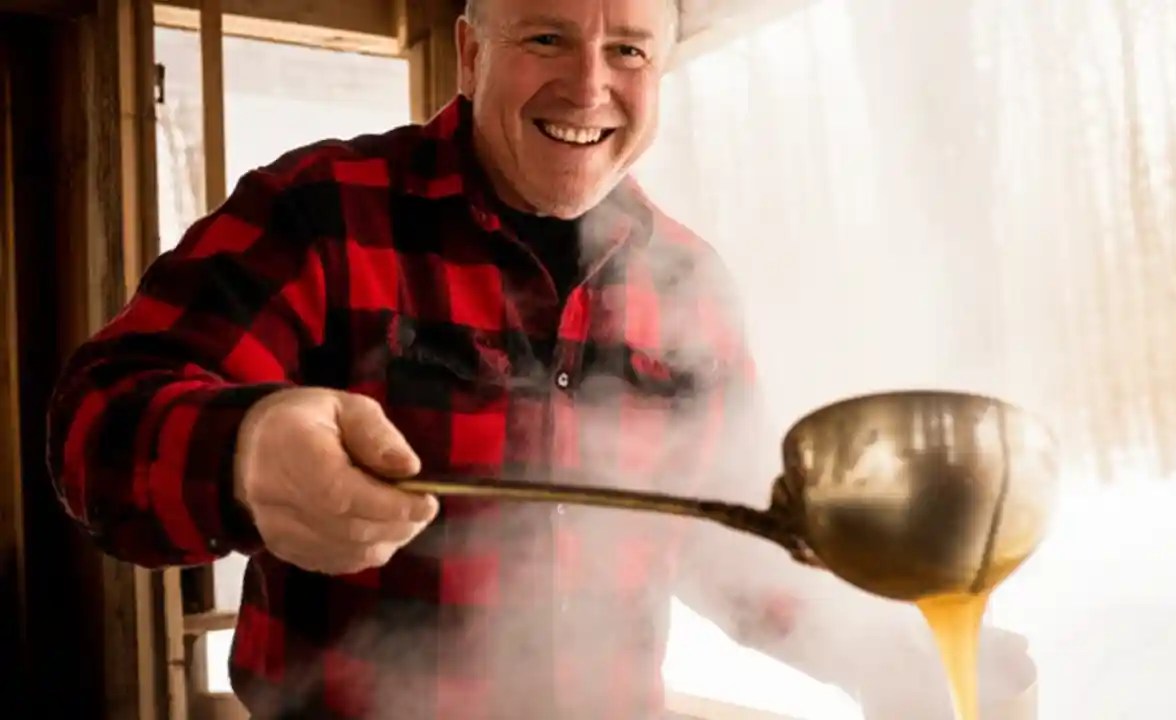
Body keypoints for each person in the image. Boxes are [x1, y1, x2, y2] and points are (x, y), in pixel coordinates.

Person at [47, 0, 1032, 717]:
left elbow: (729, 541)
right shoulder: (321, 209)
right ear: (471, 54)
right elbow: (96, 425)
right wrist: (245, 454)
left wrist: (880, 652)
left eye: (628, 49)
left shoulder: (689, 280)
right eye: (547, 36)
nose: (589, 84)